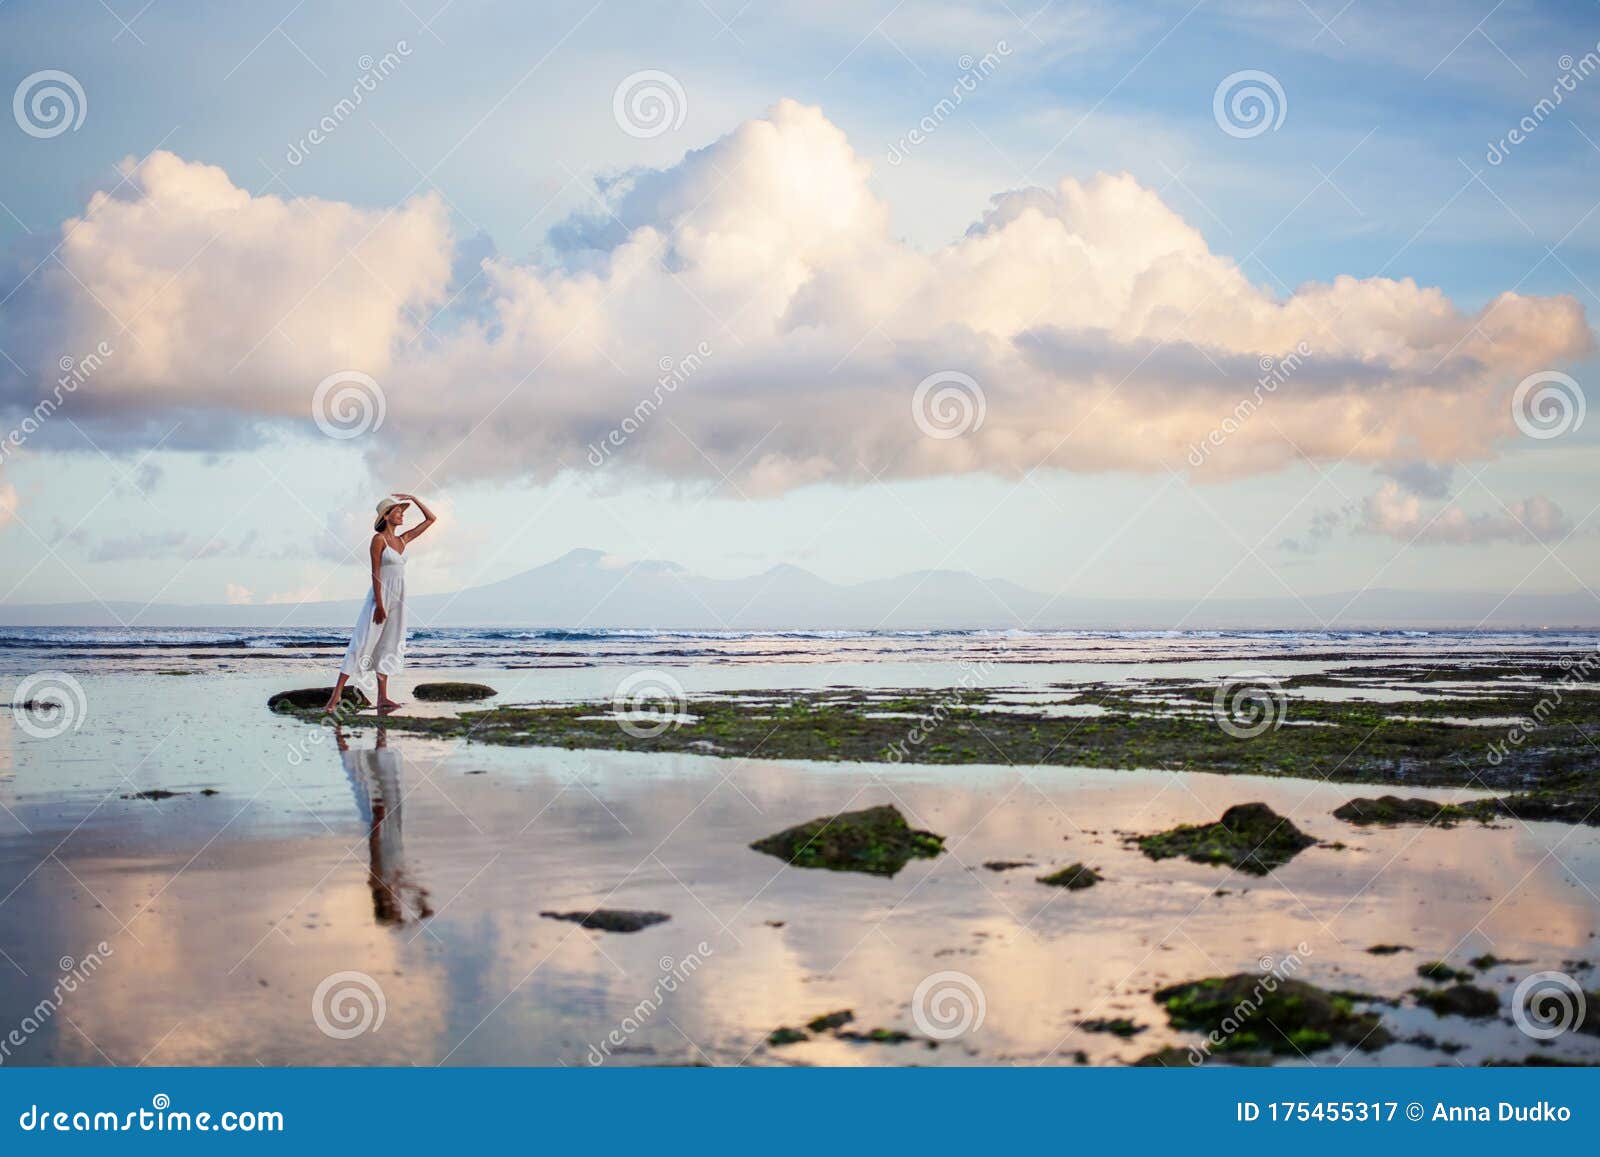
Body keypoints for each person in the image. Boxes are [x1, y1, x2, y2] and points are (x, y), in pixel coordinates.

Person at [324, 493, 436, 712]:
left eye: (403, 512)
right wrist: (380, 605)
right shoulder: (378, 540)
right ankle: (335, 696)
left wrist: (413, 498)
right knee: (362, 641)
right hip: (380, 598)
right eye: (398, 512)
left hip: (399, 599)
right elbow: (375, 573)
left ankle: (382, 698)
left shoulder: (402, 540)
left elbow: (431, 520)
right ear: (386, 516)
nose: (402, 515)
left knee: (389, 644)